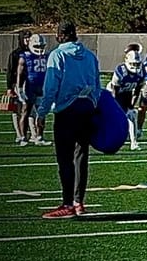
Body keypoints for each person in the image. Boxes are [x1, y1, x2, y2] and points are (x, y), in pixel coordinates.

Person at [38, 21, 101, 219]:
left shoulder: (58, 55)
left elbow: (50, 87)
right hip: (86, 108)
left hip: (66, 110)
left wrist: (42, 112)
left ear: (59, 36)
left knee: (65, 159)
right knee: (81, 157)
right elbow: (97, 85)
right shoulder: (90, 56)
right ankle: (78, 201)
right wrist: (93, 106)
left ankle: (67, 203)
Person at [107, 46, 146, 151]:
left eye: (137, 64)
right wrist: (115, 106)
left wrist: (132, 104)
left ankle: (134, 142)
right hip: (114, 94)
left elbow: (137, 90)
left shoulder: (142, 71)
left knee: (132, 115)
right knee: (119, 118)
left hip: (127, 94)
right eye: (133, 64)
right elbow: (115, 89)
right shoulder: (121, 71)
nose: (136, 66)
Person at [16, 33, 51, 145]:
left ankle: (39, 137)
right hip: (30, 87)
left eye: (41, 46)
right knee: (25, 111)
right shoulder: (25, 56)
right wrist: (20, 88)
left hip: (42, 87)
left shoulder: (47, 56)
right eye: (37, 46)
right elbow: (20, 73)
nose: (40, 49)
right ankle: (22, 137)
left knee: (41, 113)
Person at [6, 30, 30, 144]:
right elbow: (10, 71)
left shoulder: (32, 52)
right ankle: (19, 134)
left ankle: (31, 134)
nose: (28, 40)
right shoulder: (15, 54)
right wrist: (10, 88)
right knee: (18, 110)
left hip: (30, 84)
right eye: (26, 38)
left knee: (30, 110)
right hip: (18, 85)